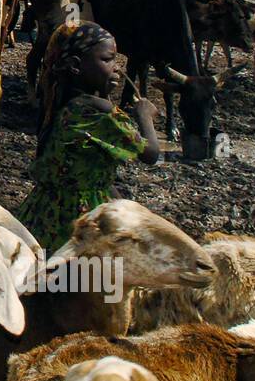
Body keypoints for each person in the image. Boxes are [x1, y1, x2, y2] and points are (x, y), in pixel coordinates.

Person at [17, 22, 160, 251]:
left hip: (42, 215)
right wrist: (145, 116)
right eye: (107, 59)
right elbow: (150, 153)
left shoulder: (62, 104)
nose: (118, 68)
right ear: (75, 66)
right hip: (81, 223)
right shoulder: (100, 113)